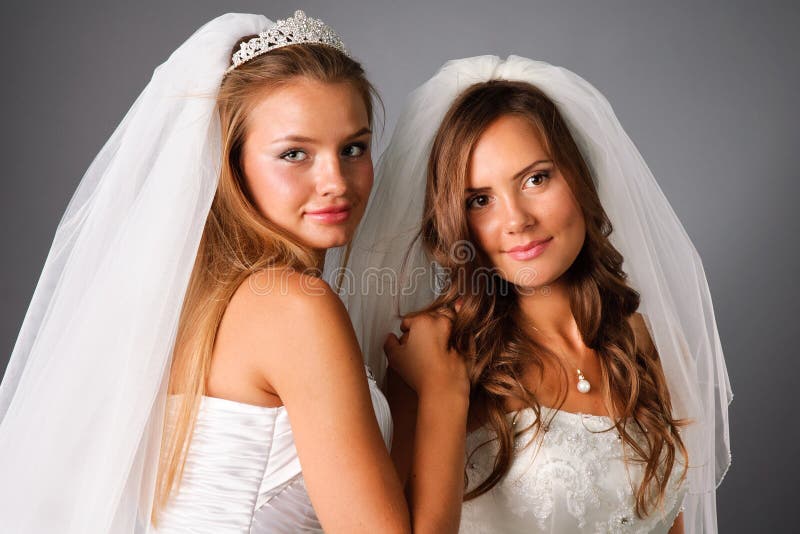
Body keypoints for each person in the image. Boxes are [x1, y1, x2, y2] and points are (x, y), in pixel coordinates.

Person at [0, 11, 467, 534]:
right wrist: (445, 397)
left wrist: (405, 402)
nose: (336, 180)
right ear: (232, 162)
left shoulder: (198, 301)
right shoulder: (295, 307)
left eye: (353, 148)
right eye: (295, 154)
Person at [343, 56, 731, 533]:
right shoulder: (435, 354)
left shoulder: (634, 340)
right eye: (480, 200)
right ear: (455, 218)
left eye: (536, 179)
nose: (517, 220)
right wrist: (446, 392)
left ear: (580, 178)